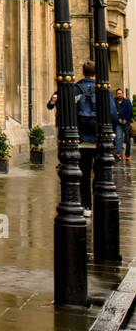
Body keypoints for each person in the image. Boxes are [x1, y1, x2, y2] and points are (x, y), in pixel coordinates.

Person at [75, 60, 97, 215]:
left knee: (85, 172)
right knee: (101, 170)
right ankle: (99, 198)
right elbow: (113, 116)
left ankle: (87, 205)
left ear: (83, 72)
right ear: (96, 73)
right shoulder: (101, 88)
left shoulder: (76, 89)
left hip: (82, 138)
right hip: (98, 138)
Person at [114, 88, 132, 163]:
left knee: (127, 140)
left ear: (122, 94)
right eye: (118, 93)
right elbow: (113, 112)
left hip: (126, 122)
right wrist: (118, 119)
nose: (119, 95)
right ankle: (119, 154)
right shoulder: (114, 102)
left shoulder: (127, 102)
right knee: (119, 138)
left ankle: (127, 155)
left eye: (121, 93)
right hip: (119, 122)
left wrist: (125, 119)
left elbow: (130, 111)